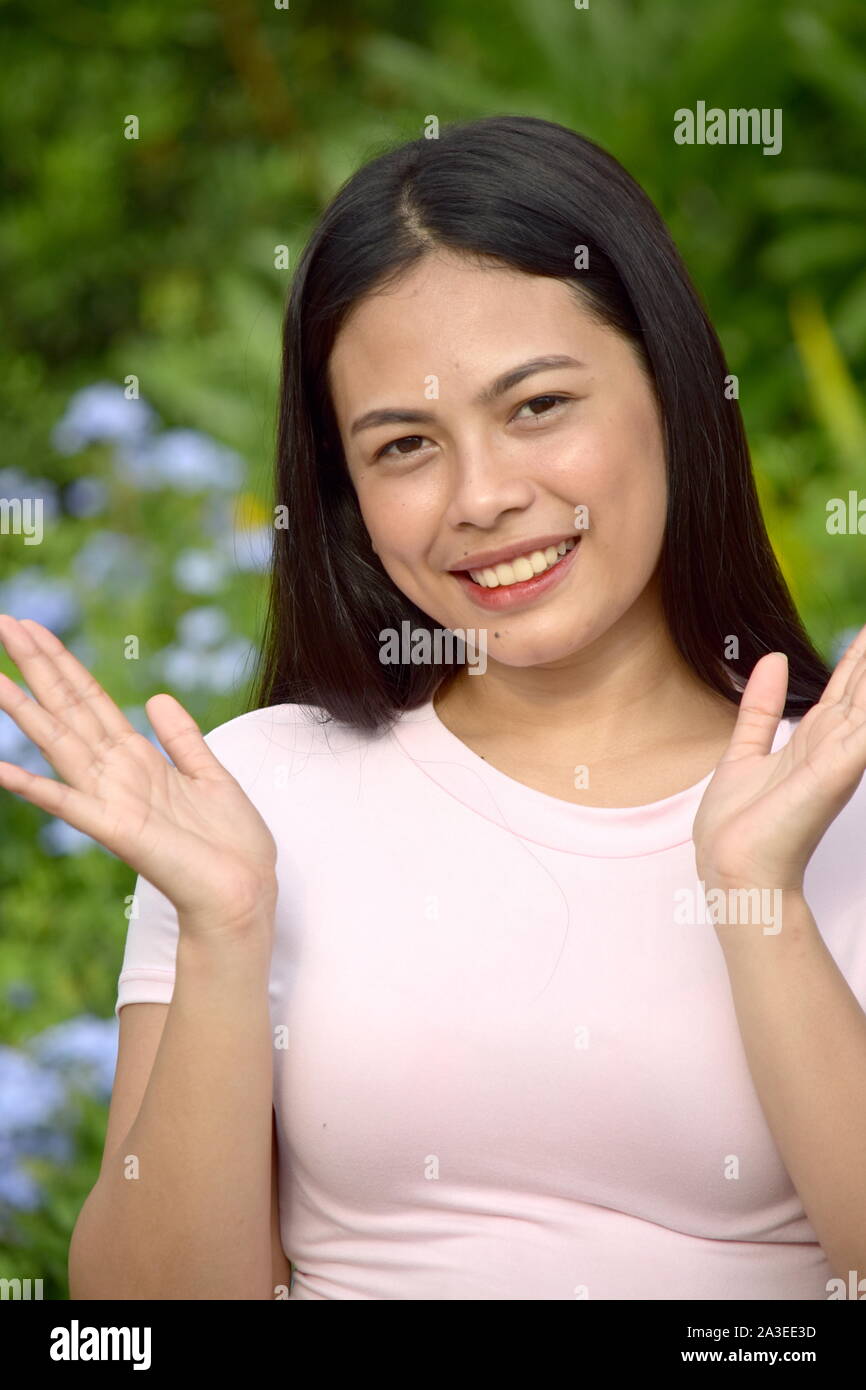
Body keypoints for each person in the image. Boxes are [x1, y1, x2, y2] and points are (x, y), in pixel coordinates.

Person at [1, 115, 865, 1301]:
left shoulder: (838, 788)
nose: (484, 497)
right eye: (404, 445)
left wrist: (759, 896)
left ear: (672, 388)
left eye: (536, 406)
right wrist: (226, 928)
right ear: (346, 497)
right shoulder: (248, 800)